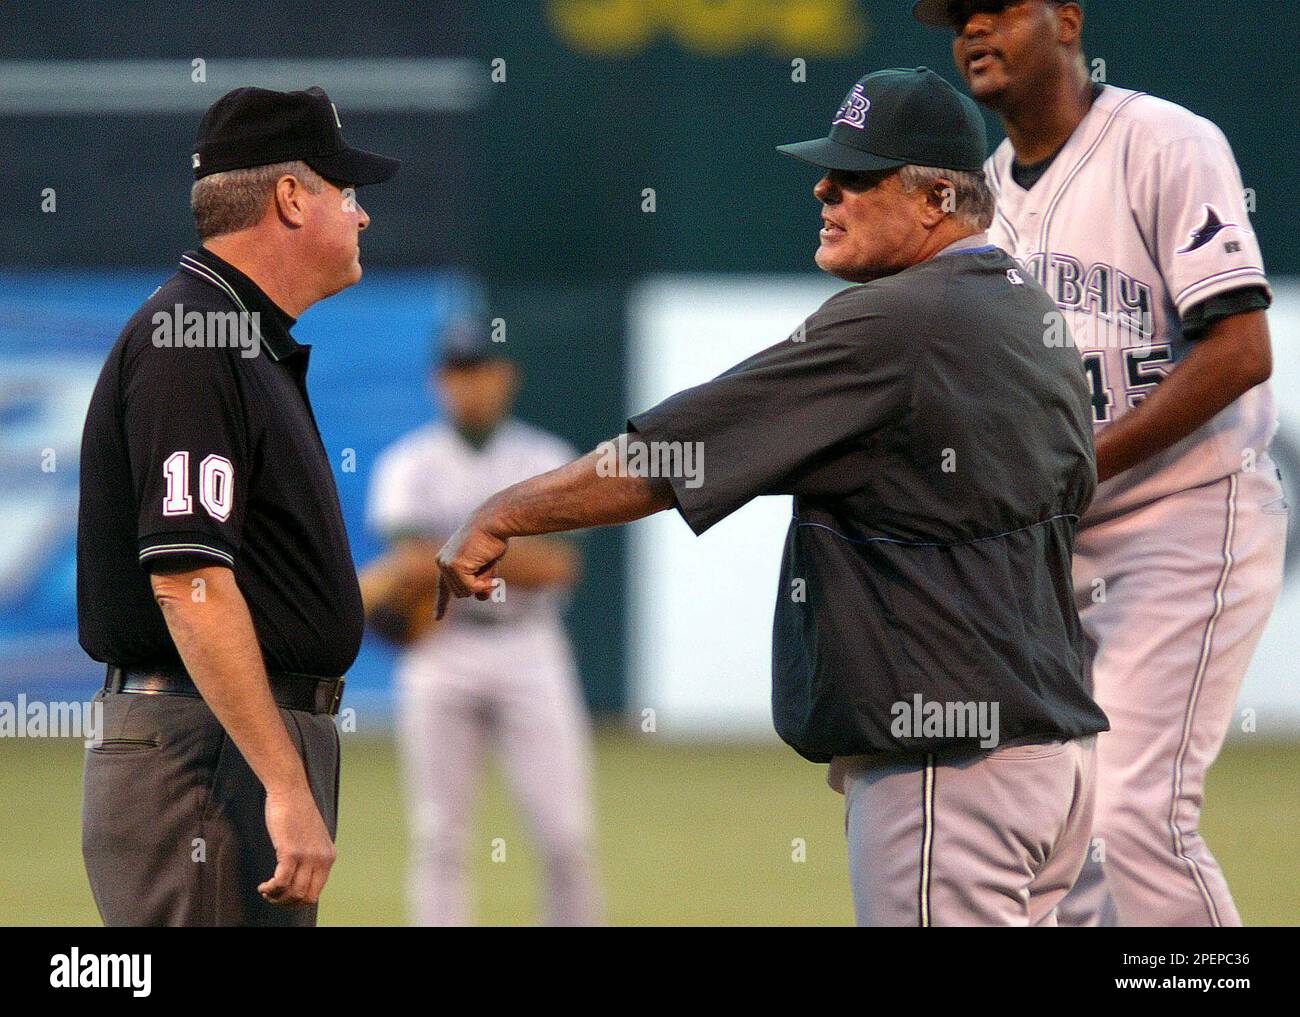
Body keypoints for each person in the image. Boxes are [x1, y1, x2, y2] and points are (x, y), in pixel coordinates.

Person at [436, 68, 1109, 926]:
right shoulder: (1031, 317)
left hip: (950, 764)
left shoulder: (896, 322)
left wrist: (500, 512)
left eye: (859, 175)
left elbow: (668, 456)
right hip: (1051, 757)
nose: (825, 187)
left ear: (939, 195)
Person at [914, 0, 1286, 926]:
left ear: (1069, 19)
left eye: (998, 6)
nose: (973, 27)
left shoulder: (1163, 141)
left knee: (1132, 813)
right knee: (1061, 824)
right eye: (958, 15)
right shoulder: (982, 199)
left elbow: (1239, 348)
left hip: (1189, 517)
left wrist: (1075, 469)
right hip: (1054, 552)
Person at [76, 85, 399, 926]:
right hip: (201, 752)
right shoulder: (194, 340)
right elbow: (189, 580)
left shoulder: (234, 335)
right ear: (292, 197)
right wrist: (284, 781)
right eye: (349, 193)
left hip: (223, 739)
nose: (362, 217)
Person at [364, 322, 602, 926]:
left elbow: (557, 567)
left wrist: (452, 552)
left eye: (481, 369)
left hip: (528, 646)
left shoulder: (545, 457)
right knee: (439, 835)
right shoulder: (408, 463)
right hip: (442, 650)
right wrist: (496, 547)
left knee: (566, 834)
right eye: (457, 371)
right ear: (439, 381)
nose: (470, 384)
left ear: (507, 376)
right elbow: (404, 565)